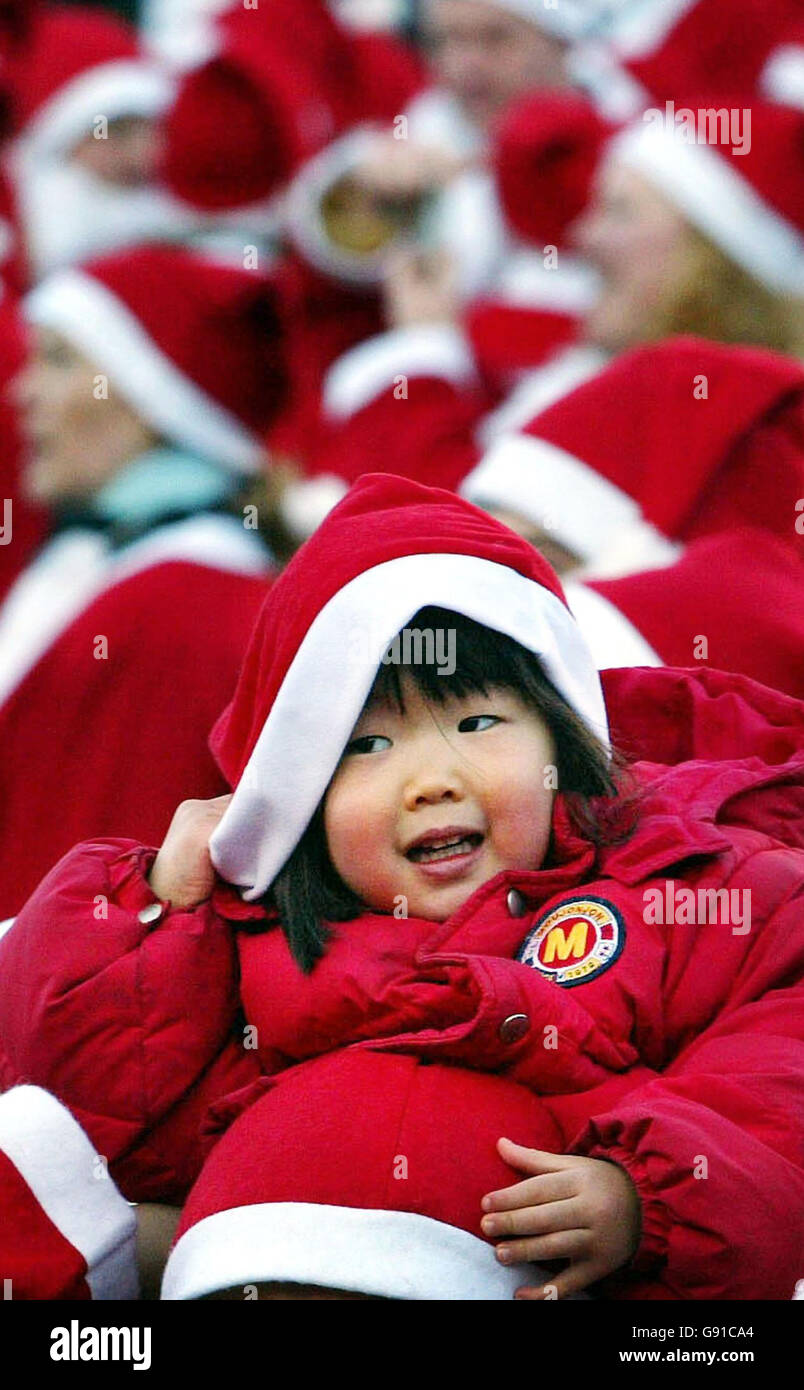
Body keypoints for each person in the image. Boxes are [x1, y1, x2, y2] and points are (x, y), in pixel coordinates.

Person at [1, 474, 802, 1300]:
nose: (431, 779)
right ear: (298, 793)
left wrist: (652, 1198)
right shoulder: (254, 936)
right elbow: (90, 1117)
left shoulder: (680, 882)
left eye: (477, 724)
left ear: (567, 735)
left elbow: (780, 1068)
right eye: (369, 745)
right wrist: (162, 906)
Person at [0, 243, 286, 915]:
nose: (22, 388)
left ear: (154, 398)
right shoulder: (115, 567)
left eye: (60, 359)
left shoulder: (175, 608)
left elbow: (71, 896)